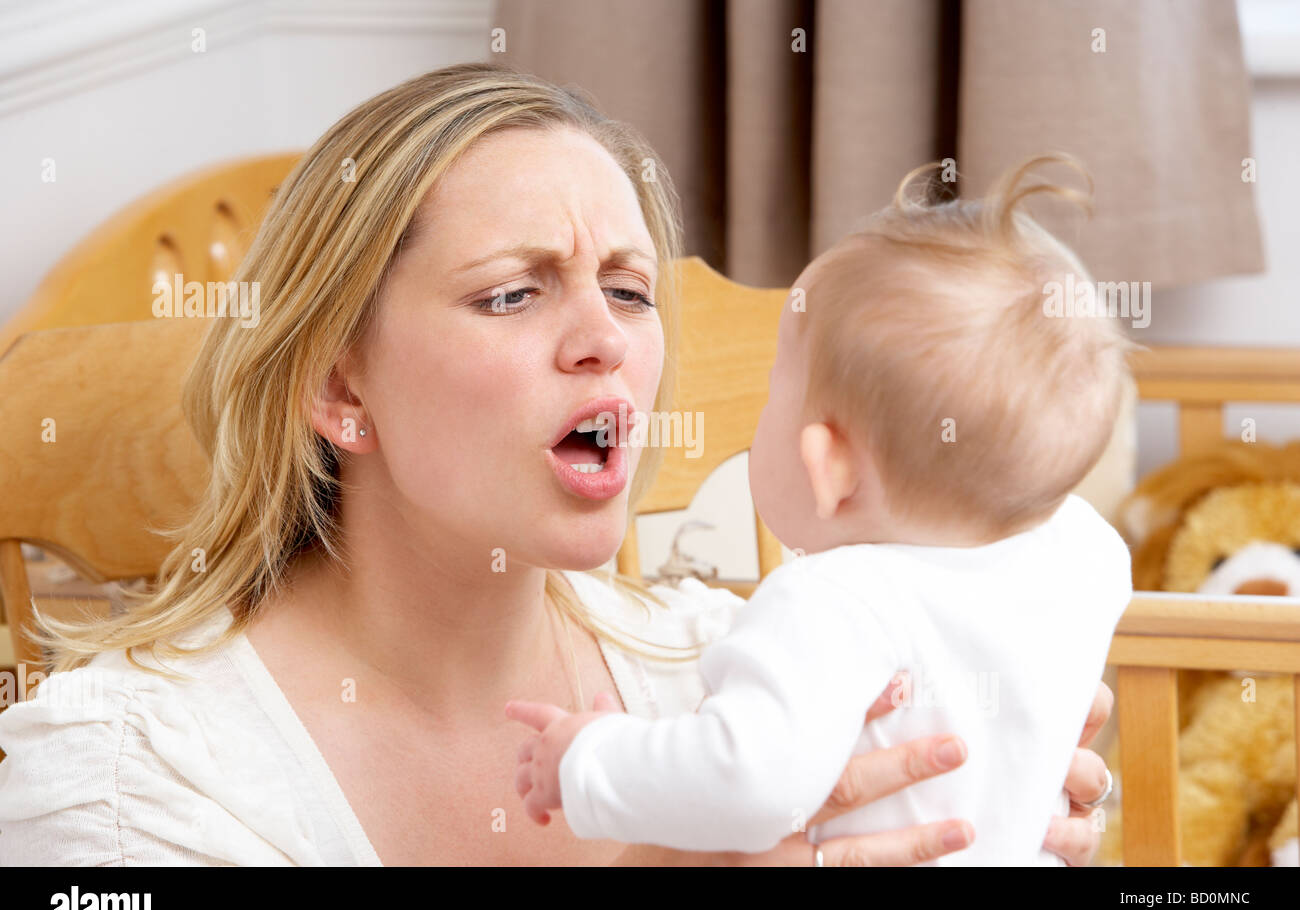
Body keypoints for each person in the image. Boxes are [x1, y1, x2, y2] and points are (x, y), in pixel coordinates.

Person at [0, 65, 1111, 866]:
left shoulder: (737, 680)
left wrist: (1010, 810)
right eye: (512, 293)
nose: (607, 339)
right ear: (341, 389)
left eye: (628, 289)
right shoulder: (123, 787)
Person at [508, 155, 1131, 864]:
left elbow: (746, 783)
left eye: (777, 387)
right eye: (509, 295)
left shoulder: (828, 603)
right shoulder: (1088, 558)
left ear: (826, 466)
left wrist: (588, 759)